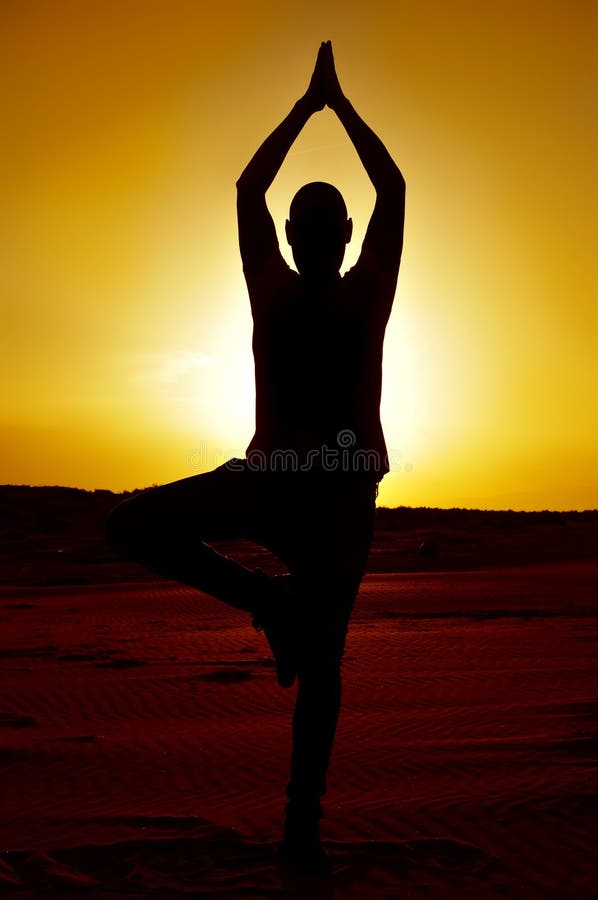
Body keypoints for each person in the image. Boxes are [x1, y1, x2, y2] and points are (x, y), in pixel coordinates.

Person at [106, 41, 405, 875]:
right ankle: (269, 603)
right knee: (130, 525)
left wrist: (330, 108)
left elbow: (382, 189)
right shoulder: (285, 287)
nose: (313, 235)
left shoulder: (359, 290)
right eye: (305, 225)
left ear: (338, 234)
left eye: (323, 225)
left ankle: (301, 828)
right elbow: (266, 189)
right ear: (302, 233)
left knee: (324, 667)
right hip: (272, 484)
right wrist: (320, 109)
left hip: (340, 501)